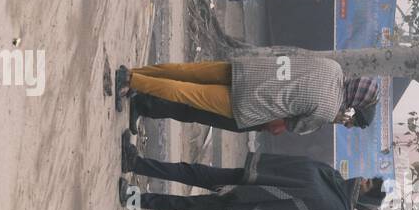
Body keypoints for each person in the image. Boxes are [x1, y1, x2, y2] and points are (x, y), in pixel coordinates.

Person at [118, 147, 387, 210]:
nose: (363, 179)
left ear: (364, 197)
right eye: (368, 179)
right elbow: (301, 168)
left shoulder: (338, 209)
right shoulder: (336, 179)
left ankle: (136, 199)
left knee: (189, 206)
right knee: (196, 172)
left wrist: (245, 195)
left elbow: (293, 200)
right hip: (253, 181)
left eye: (367, 185)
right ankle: (138, 164)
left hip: (251, 204)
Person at [115, 57, 379, 137]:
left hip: (250, 69)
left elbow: (293, 62)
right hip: (249, 102)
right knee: (187, 94)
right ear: (354, 106)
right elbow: (281, 127)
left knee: (187, 72)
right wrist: (332, 119)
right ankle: (132, 81)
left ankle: (133, 74)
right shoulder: (327, 110)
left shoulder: (333, 66)